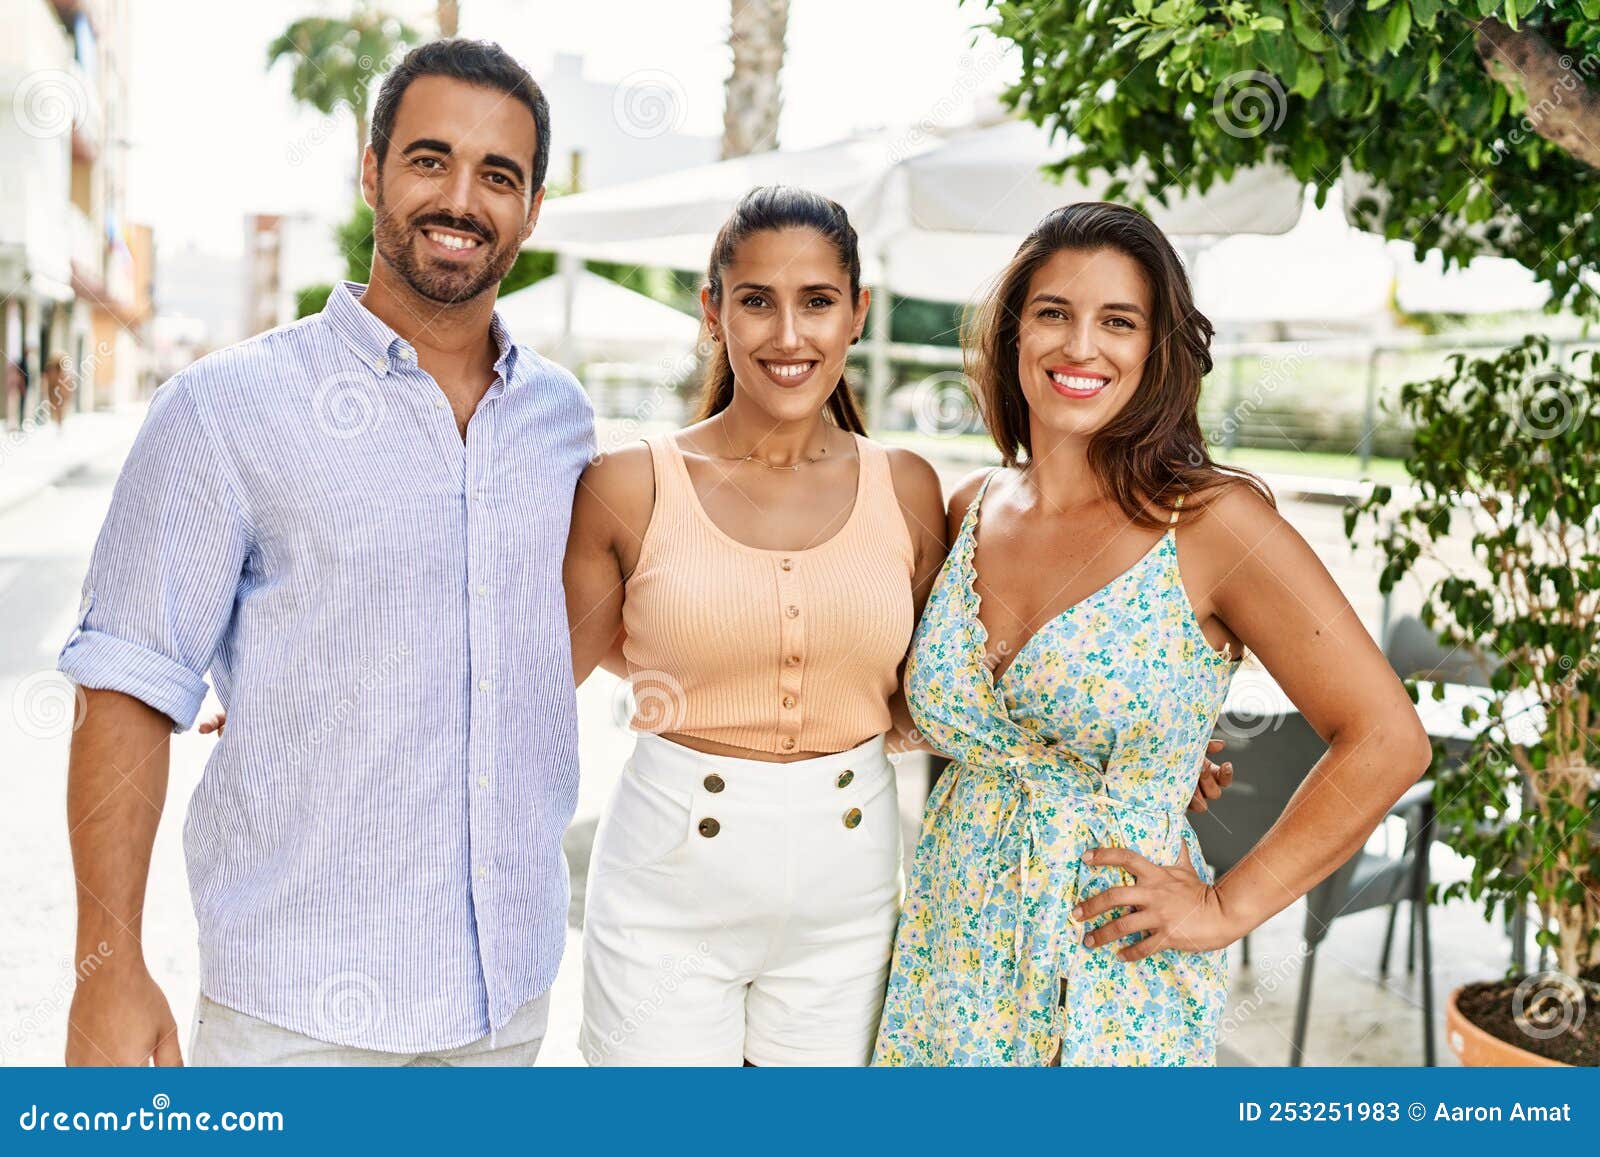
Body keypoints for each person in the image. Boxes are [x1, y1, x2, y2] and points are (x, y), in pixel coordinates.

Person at [57, 39, 592, 1067]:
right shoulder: (226, 409)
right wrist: (107, 964)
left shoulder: (561, 420)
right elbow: (125, 681)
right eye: (430, 159)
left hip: (507, 1005)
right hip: (295, 1019)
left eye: (499, 175)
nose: (462, 198)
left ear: (529, 211)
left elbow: (553, 634)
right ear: (371, 170)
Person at [873, 202, 1432, 1067]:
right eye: (1053, 312)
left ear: (1157, 349)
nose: (1080, 346)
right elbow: (938, 720)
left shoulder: (1213, 523)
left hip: (1112, 972)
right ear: (1014, 333)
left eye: (1118, 321)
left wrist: (1229, 908)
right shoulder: (970, 506)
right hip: (950, 955)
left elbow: (1387, 739)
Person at [563, 186, 948, 1065]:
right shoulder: (625, 487)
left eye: (817, 301)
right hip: (665, 892)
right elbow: (531, 678)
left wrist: (1150, 748)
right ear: (713, 311)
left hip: (848, 899)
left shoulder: (912, 490)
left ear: (857, 313)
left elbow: (956, 688)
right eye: (755, 301)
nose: (787, 335)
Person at [45, 353, 75, 432]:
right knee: (57, 408)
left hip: (59, 393)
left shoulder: (61, 372)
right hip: (56, 392)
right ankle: (59, 422)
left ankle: (59, 423)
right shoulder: (53, 371)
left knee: (59, 408)